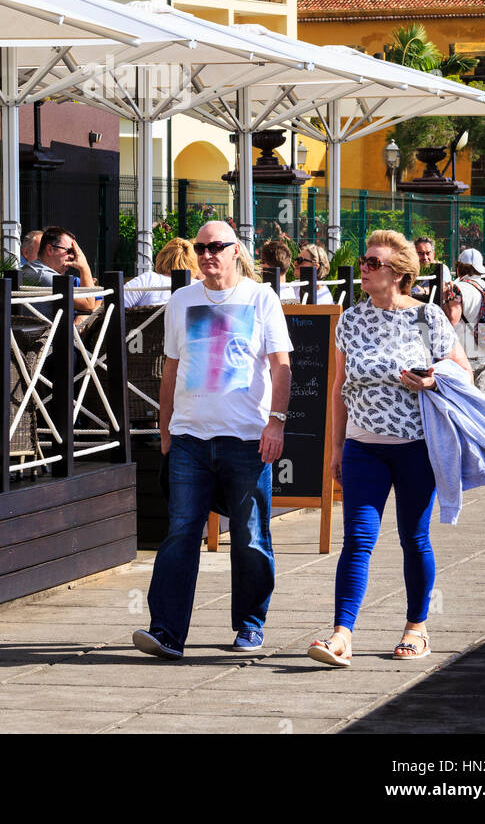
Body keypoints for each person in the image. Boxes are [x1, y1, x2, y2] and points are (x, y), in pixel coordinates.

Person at [308, 230, 472, 669]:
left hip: (417, 446)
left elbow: (462, 373)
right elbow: (340, 387)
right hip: (364, 449)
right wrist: (336, 447)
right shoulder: (350, 319)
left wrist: (433, 379)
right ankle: (342, 634)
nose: (364, 267)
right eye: (363, 261)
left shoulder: (428, 317)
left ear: (399, 274)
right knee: (357, 540)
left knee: (413, 538)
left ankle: (417, 628)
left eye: (373, 263)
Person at [132, 220, 292, 659]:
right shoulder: (181, 300)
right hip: (189, 437)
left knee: (251, 534)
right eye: (201, 248)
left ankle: (250, 624)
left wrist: (276, 421)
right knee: (181, 531)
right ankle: (166, 631)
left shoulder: (261, 299)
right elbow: (169, 368)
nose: (207, 255)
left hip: (246, 438)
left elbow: (281, 366)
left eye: (216, 247)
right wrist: (165, 428)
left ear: (236, 250)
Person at [442, 248, 485, 394]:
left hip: (467, 352)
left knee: (464, 401)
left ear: (459, 267)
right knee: (482, 400)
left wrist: (444, 299)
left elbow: (453, 318)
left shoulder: (458, 288)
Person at [21, 226, 100, 313]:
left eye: (74, 252)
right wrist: (84, 266)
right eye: (69, 251)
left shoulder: (33, 269)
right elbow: (88, 305)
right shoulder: (46, 276)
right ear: (50, 249)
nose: (73, 256)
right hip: (48, 327)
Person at [125, 238, 201, 307]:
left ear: (161, 257)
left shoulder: (148, 280)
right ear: (193, 262)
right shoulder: (200, 287)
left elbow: (116, 306)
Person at [259, 237, 296, 301]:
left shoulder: (262, 295)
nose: (260, 266)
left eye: (262, 262)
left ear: (268, 265)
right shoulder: (293, 291)